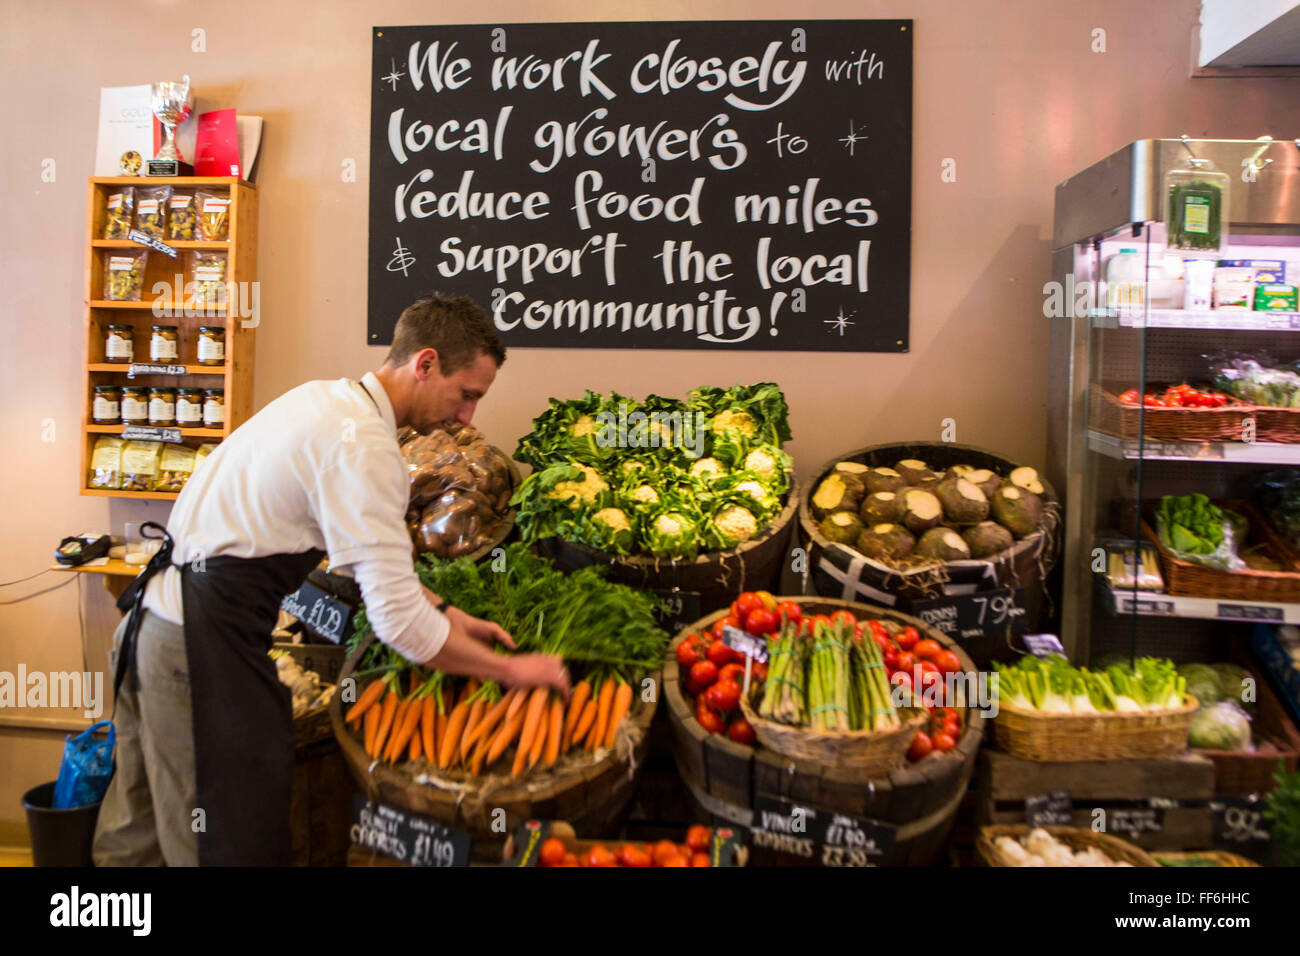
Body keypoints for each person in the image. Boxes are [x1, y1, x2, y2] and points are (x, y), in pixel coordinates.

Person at [93, 293, 569, 866]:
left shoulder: (325, 401)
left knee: (136, 838)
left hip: (152, 625)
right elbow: (396, 623)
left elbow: (374, 571)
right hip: (193, 651)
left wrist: (447, 613)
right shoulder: (365, 448)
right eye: (466, 394)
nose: (468, 415)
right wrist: (512, 671)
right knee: (216, 845)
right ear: (425, 363)